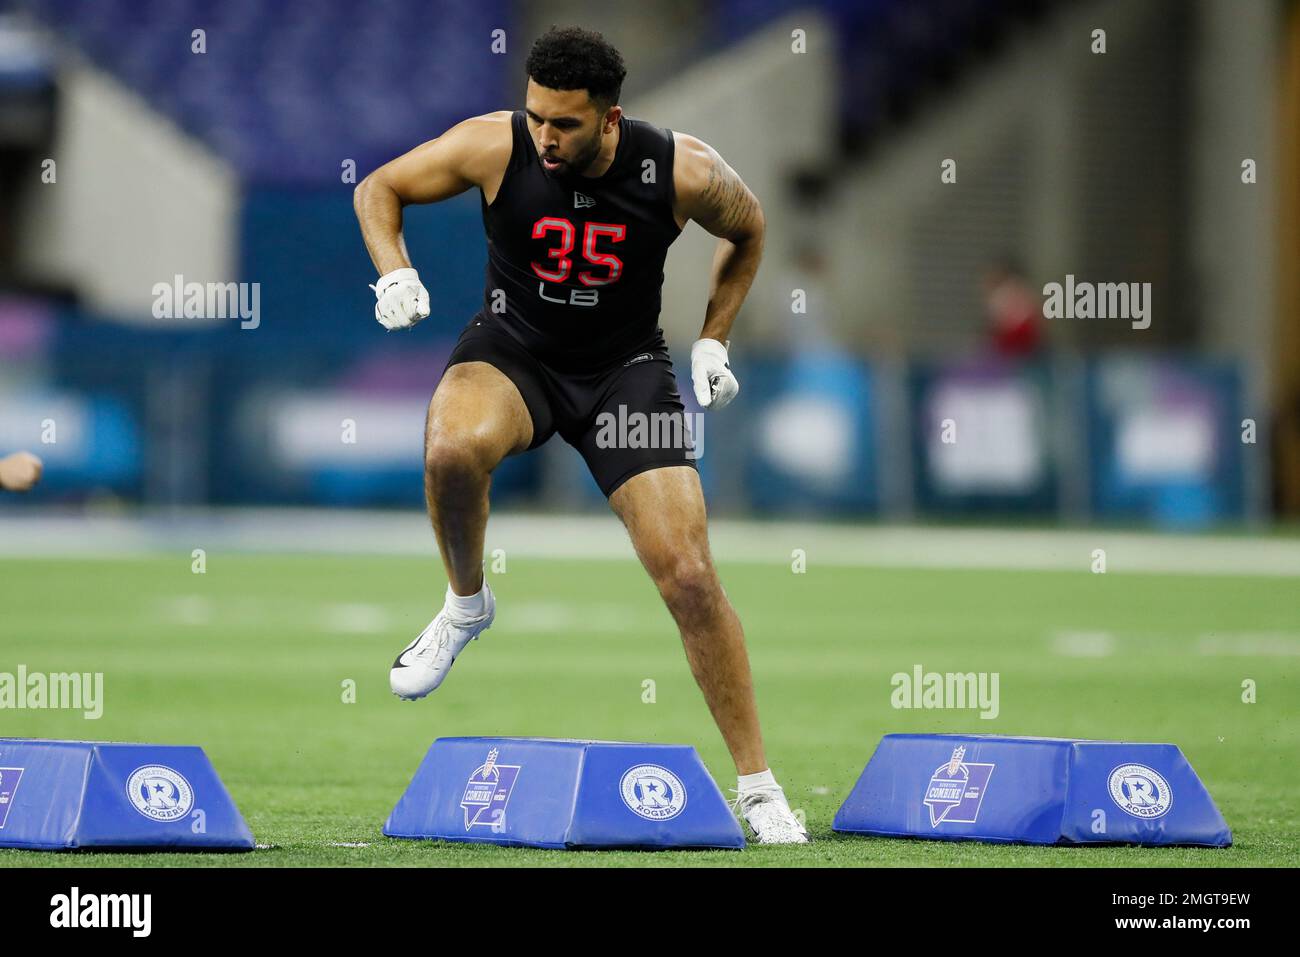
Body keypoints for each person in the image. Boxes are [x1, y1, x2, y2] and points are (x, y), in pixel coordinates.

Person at [353, 26, 806, 843]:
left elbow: (749, 228)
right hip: (515, 353)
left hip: (623, 370)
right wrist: (395, 269)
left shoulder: (679, 167)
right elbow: (378, 188)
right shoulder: (496, 145)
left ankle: (760, 788)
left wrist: (713, 338)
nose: (546, 138)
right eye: (537, 118)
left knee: (691, 576)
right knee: (451, 447)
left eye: (565, 123)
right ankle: (464, 604)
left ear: (611, 117)